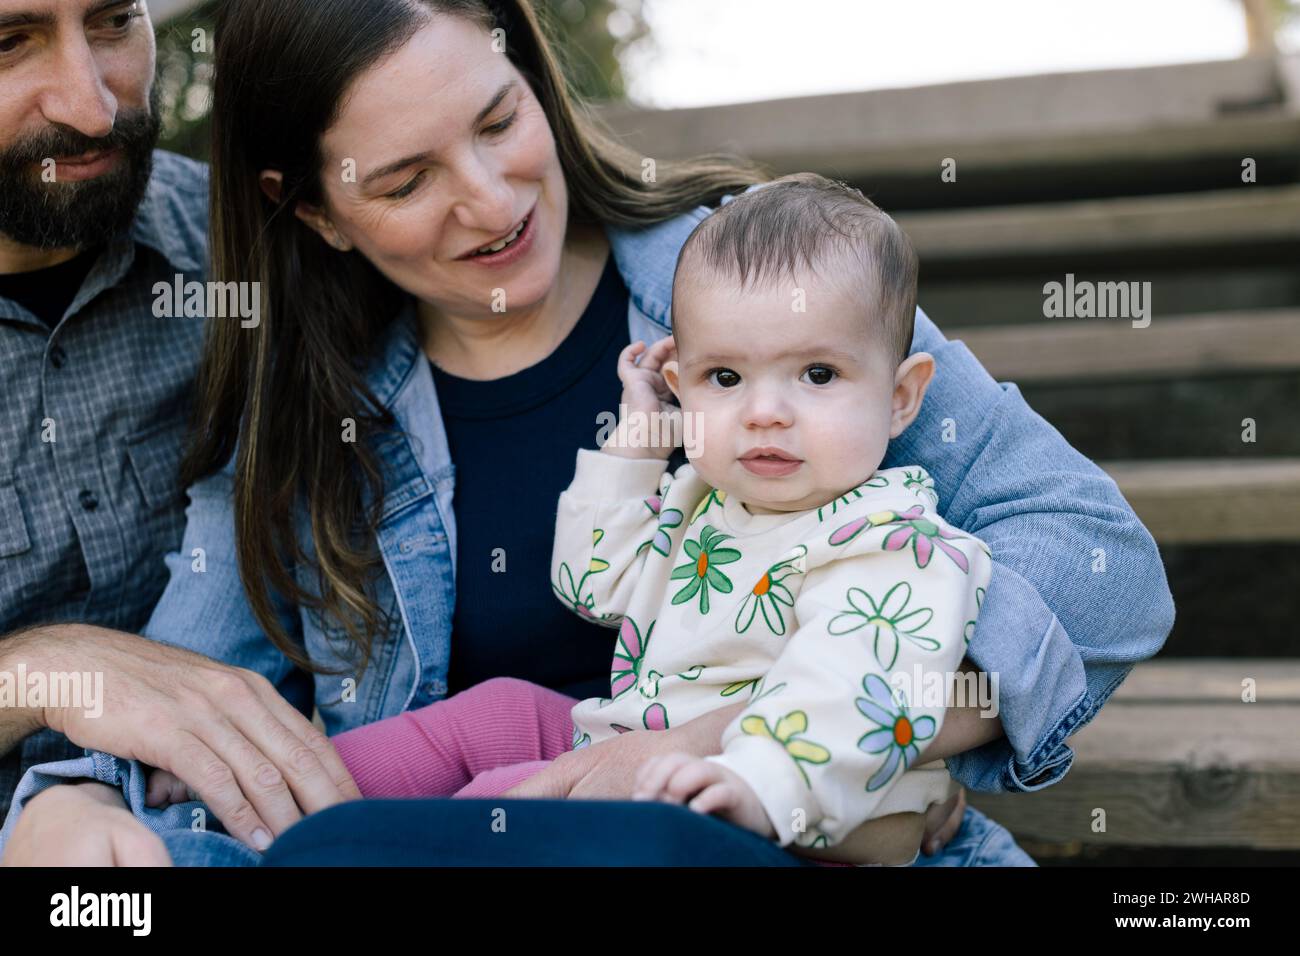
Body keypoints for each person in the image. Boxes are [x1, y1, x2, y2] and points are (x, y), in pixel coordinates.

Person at [3, 0, 1174, 867]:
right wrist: (73, 799)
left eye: (499, 121)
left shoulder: (763, 290)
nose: (493, 199)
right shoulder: (319, 409)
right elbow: (192, 674)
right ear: (315, 212)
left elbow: (1102, 565)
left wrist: (755, 736)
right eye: (407, 180)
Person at [256, 175, 988, 868]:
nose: (766, 411)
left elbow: (853, 691)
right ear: (681, 386)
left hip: (799, 824)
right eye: (725, 379)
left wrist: (757, 785)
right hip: (647, 740)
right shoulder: (706, 497)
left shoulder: (896, 544)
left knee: (506, 805)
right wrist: (638, 440)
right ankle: (281, 785)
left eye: (818, 375)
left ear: (901, 397)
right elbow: (591, 581)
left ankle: (396, 846)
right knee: (497, 712)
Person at [0, 0, 361, 866]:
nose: (95, 107)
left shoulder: (261, 251)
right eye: (10, 42)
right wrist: (46, 669)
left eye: (116, 21)